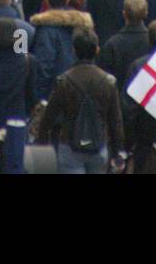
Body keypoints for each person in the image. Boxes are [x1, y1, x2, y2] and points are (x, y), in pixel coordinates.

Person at [37, 27, 124, 174]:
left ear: (74, 50)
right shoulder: (108, 82)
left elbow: (48, 117)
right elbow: (115, 120)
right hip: (99, 144)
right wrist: (118, 151)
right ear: (97, 50)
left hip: (69, 145)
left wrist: (43, 143)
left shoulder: (64, 81)